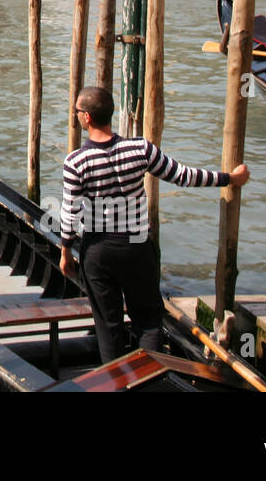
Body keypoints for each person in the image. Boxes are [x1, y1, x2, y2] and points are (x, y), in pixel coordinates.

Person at [60, 85, 250, 364]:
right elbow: (183, 176)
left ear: (86, 117)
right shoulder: (140, 149)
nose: (76, 115)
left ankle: (115, 383)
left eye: (77, 111)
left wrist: (65, 252)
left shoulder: (75, 162)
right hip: (137, 247)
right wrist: (229, 179)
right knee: (148, 320)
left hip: (99, 250)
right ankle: (152, 380)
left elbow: (70, 213)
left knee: (108, 326)